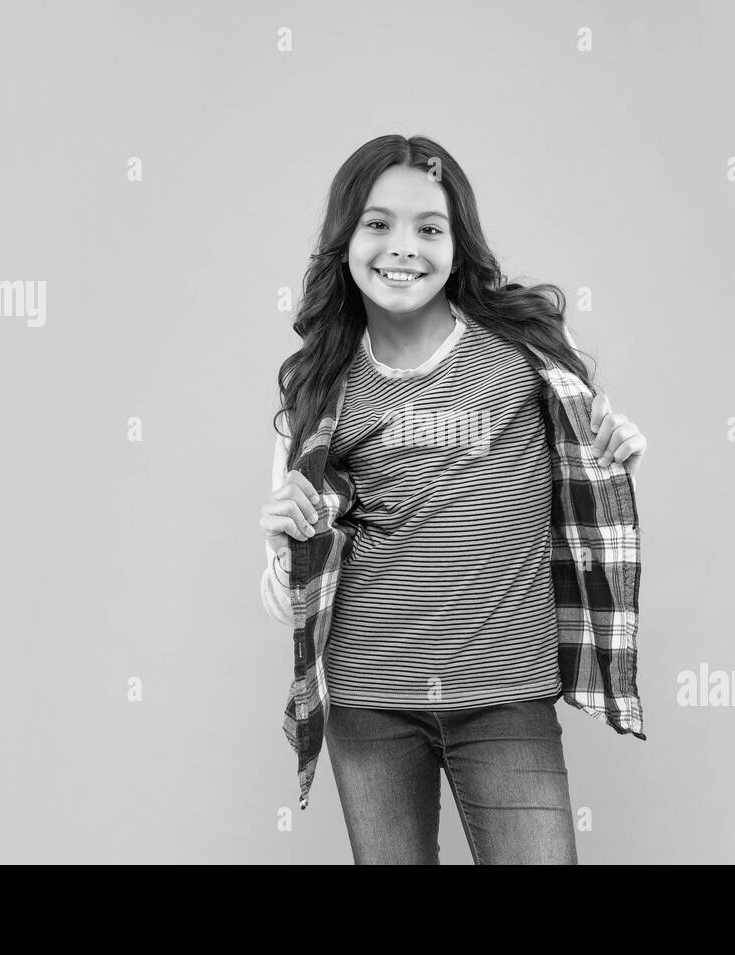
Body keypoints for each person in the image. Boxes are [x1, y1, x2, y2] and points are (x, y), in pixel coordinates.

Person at [259, 134, 647, 864]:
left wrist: (615, 449)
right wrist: (283, 547)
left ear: (456, 245)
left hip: (506, 695)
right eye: (377, 224)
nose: (402, 248)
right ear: (345, 241)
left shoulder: (521, 358)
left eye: (429, 228)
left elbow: (586, 452)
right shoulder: (318, 393)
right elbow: (288, 601)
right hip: (368, 699)